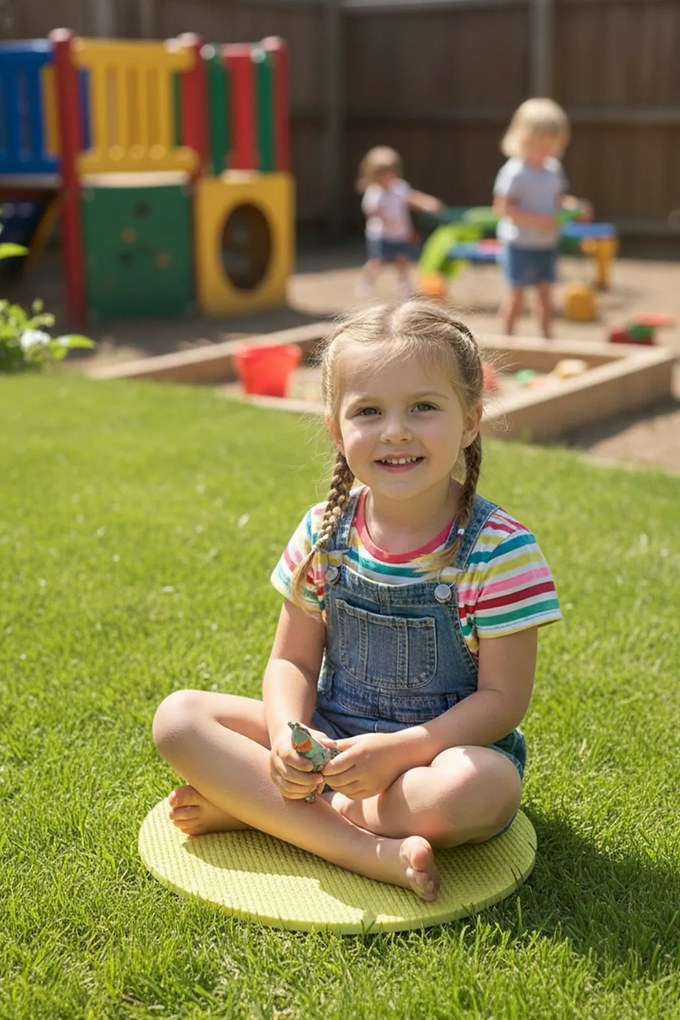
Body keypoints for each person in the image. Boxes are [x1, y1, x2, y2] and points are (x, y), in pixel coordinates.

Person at [153, 300, 562, 902]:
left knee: (477, 791)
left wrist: (404, 749)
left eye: (423, 406)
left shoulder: (500, 550)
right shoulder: (323, 532)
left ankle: (266, 812)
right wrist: (289, 735)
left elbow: (504, 701)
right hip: (332, 739)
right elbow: (290, 661)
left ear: (471, 421)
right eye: (369, 411)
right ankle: (365, 850)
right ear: (336, 430)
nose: (395, 430)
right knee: (179, 719)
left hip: (440, 758)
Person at [493, 97, 591, 338]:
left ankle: (546, 339)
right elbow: (503, 208)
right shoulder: (515, 172)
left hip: (546, 243)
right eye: (543, 146)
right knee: (516, 295)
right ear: (524, 140)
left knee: (546, 294)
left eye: (554, 146)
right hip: (520, 243)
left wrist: (575, 206)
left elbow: (558, 199)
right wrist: (538, 220)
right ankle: (507, 339)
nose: (549, 152)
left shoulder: (553, 169)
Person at [355, 146, 443, 300]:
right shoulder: (374, 194)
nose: (388, 176)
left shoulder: (400, 187)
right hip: (381, 234)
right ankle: (366, 283)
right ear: (373, 174)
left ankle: (404, 286)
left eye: (391, 172)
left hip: (401, 233)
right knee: (376, 262)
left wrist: (427, 203)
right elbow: (370, 213)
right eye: (383, 173)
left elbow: (411, 198)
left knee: (403, 261)